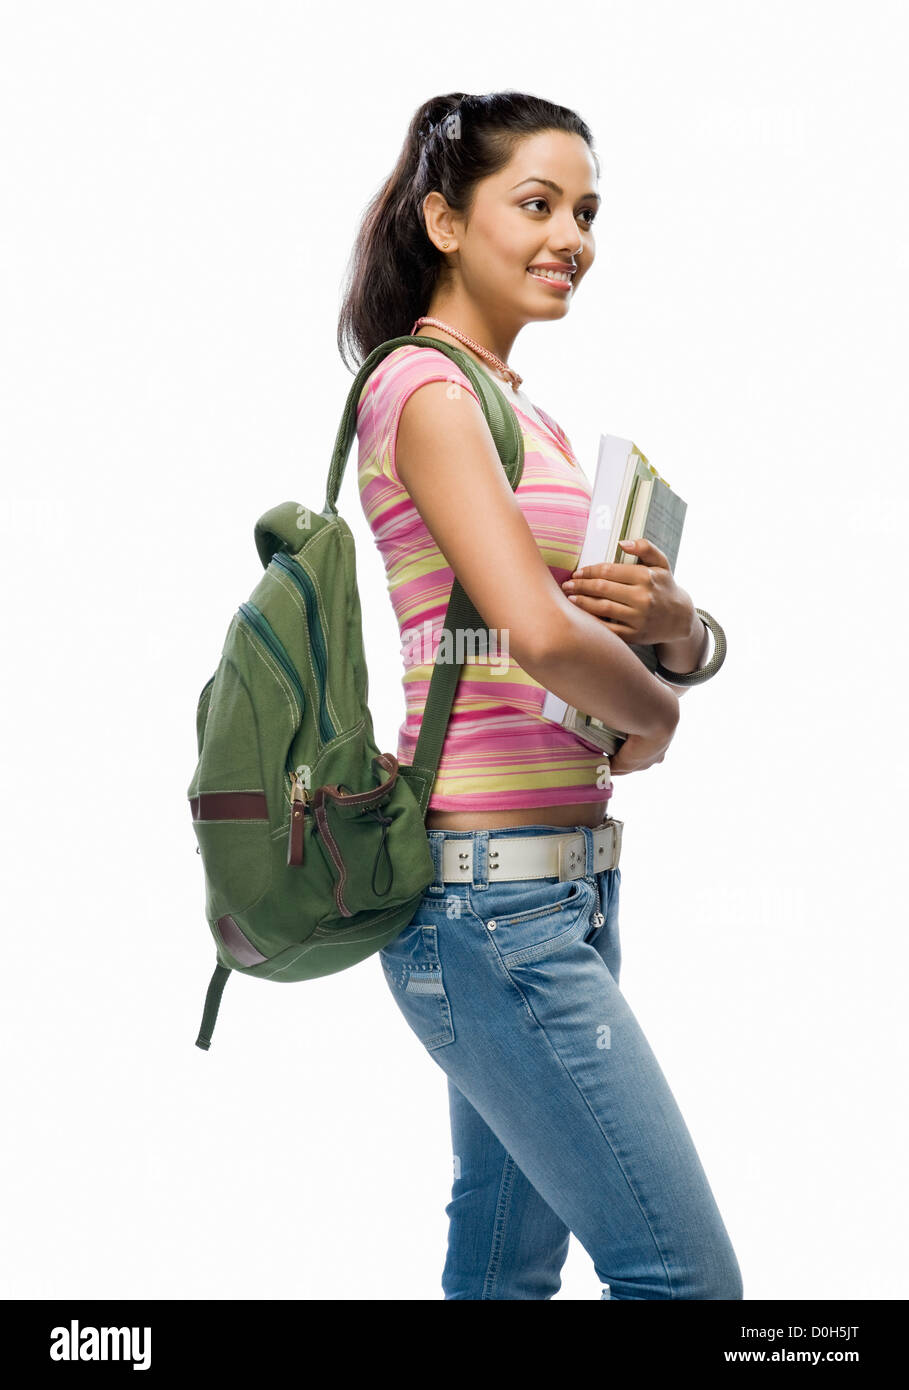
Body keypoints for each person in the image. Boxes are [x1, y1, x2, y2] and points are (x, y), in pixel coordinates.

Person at [338, 90, 743, 1301]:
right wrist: (659, 714)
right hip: (487, 907)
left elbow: (590, 633)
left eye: (586, 211)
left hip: (558, 887)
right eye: (537, 203)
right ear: (447, 222)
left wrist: (682, 636)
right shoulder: (425, 391)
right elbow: (532, 630)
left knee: (506, 1266)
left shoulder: (531, 417)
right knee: (685, 1280)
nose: (571, 235)